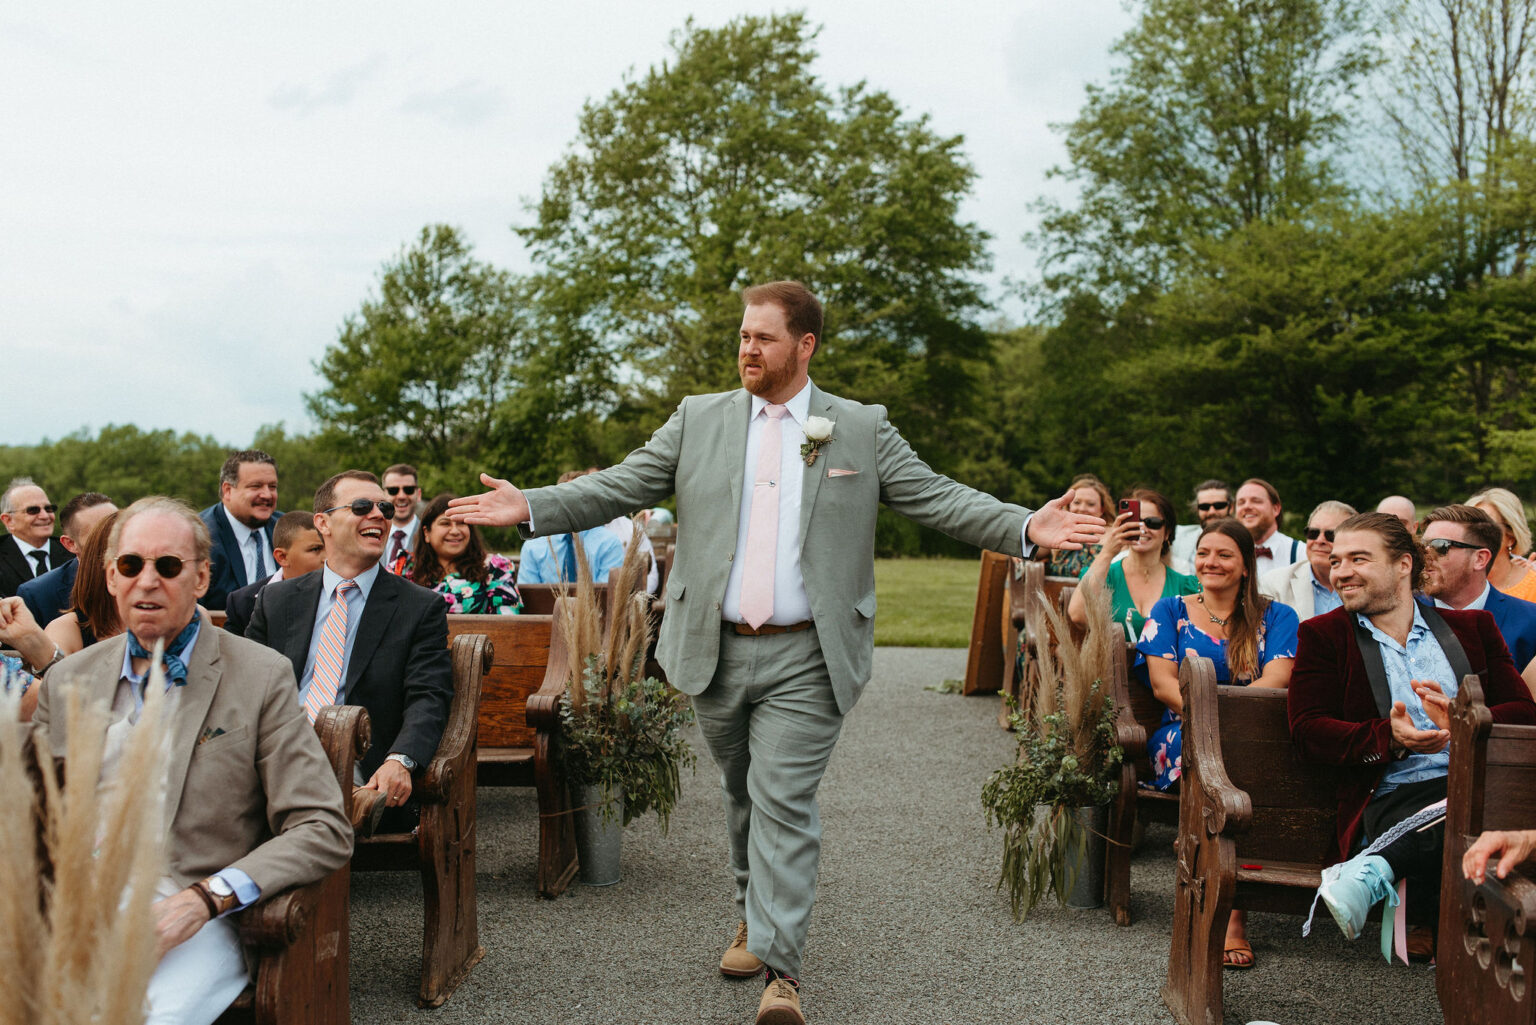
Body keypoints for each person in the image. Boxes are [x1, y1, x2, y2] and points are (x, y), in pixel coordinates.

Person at [447, 281, 1103, 1025]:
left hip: (809, 654)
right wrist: (530, 505)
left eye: (763, 337)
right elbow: (618, 484)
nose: (747, 349)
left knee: (783, 799)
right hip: (714, 648)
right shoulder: (699, 419)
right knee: (740, 792)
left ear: (806, 345)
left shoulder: (858, 426)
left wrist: (1023, 526)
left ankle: (783, 971)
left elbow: (936, 496)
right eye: (743, 335)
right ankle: (750, 918)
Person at [32, 495, 352, 1025]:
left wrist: (208, 899)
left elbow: (322, 825)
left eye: (169, 566)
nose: (148, 581)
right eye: (131, 565)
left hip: (192, 911)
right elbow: (32, 807)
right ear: (111, 577)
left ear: (202, 578)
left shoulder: (259, 674)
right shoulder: (71, 677)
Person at [1288, 513, 1536, 958]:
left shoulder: (1473, 629)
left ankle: (1377, 868)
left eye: (1358, 559)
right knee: (1470, 811)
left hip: (1477, 782)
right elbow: (1309, 731)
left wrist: (1463, 723)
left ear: (1404, 564)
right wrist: (1390, 736)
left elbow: (1523, 711)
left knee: (1479, 803)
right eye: (1338, 560)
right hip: (1392, 793)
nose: (1341, 571)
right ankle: (1391, 871)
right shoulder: (1324, 635)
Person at [246, 471, 454, 833]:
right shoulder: (276, 601)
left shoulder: (419, 608)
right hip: (276, 749)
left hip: (360, 760)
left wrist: (400, 761)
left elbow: (429, 697)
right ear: (322, 523)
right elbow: (243, 686)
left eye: (385, 508)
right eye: (361, 506)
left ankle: (335, 804)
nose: (378, 515)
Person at [1136, 517, 1297, 969]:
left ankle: (1209, 860)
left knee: (1242, 762)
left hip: (1248, 735)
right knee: (1226, 765)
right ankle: (1231, 913)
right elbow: (1163, 685)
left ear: (1246, 566)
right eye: (1204, 553)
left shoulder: (1277, 617)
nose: (1212, 562)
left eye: (1225, 554)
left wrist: (1232, 725)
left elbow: (1277, 679)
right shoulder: (1170, 611)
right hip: (1181, 733)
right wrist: (1210, 722)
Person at [1420, 504, 1536, 693]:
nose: (1425, 556)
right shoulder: (1404, 616)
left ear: (1480, 559)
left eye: (1440, 547)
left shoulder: (1530, 622)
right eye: (1421, 546)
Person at [1068, 488, 1197, 643]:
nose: (1142, 528)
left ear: (1167, 532)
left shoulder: (1185, 586)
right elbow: (1078, 616)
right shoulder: (1104, 576)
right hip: (1112, 666)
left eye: (1152, 522)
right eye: (1134, 522)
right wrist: (1108, 551)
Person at [405, 493, 522, 614]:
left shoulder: (494, 568)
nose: (455, 531)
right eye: (445, 523)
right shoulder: (405, 568)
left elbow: (508, 622)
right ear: (426, 533)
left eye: (461, 523)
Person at [223, 511, 327, 637]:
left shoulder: (343, 593)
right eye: (315, 549)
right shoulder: (243, 603)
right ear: (282, 557)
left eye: (330, 548)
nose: (327, 558)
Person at [199, 451, 281, 610]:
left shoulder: (287, 529)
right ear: (228, 491)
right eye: (255, 486)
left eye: (272, 487)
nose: (267, 495)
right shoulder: (200, 537)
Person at [514, 471, 628, 586]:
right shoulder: (534, 545)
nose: (571, 506)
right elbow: (527, 595)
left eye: (576, 498)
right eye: (566, 498)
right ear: (555, 501)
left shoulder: (608, 543)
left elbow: (608, 596)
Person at [18, 491, 116, 624]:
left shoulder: (145, 574)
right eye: (100, 534)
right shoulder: (39, 595)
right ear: (70, 544)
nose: (115, 538)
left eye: (118, 528)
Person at [1260, 501, 1357, 620]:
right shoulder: (1274, 584)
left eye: (1331, 535)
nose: (1320, 540)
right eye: (1313, 533)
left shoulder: (1365, 583)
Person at [0, 477, 71, 599]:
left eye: (49, 509)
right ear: (8, 520)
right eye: (33, 510)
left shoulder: (73, 552)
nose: (44, 516)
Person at [1467, 487, 1536, 602]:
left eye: (1484, 526)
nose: (1473, 533)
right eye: (1468, 525)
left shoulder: (1532, 588)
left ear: (1511, 537)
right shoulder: (1454, 586)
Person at [1043, 474, 1110, 578]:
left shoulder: (1113, 535)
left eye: (1091, 504)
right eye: (1077, 502)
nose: (1082, 508)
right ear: (1069, 506)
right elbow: (1032, 549)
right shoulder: (1058, 532)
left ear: (1102, 509)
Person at [1234, 478, 1302, 580]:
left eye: (1256, 501)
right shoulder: (1227, 554)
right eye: (1241, 503)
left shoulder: (1300, 553)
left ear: (1276, 509)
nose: (1247, 506)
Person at [1169, 479, 1233, 575]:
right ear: (1197, 509)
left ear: (1231, 507)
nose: (1211, 511)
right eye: (1204, 507)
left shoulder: (1244, 539)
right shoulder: (1178, 534)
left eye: (1219, 505)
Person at [382, 463, 422, 574]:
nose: (401, 496)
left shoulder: (431, 537)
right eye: (393, 490)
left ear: (418, 494)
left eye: (408, 490)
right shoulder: (370, 536)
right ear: (383, 495)